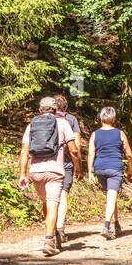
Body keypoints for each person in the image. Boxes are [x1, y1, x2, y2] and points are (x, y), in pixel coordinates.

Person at [18, 96, 80, 256]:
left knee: (46, 203)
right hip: (54, 171)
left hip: (36, 172)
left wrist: (22, 174)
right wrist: (78, 167)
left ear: (39, 110)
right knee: (53, 204)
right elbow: (73, 150)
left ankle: (52, 235)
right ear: (55, 109)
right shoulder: (63, 123)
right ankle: (49, 240)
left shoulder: (32, 125)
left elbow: (24, 150)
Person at [85, 106, 132, 239]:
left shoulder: (95, 134)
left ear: (100, 118)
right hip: (114, 168)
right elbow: (129, 155)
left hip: (100, 169)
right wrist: (130, 170)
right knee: (111, 196)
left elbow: (91, 153)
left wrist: (90, 172)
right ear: (114, 119)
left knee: (111, 196)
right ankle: (106, 226)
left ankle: (117, 224)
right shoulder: (120, 133)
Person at [53, 94, 82, 246]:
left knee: (51, 197)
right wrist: (79, 167)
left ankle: (50, 229)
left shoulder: (45, 119)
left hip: (48, 162)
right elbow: (76, 144)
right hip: (66, 162)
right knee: (63, 194)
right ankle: (60, 227)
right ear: (66, 107)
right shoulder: (71, 120)